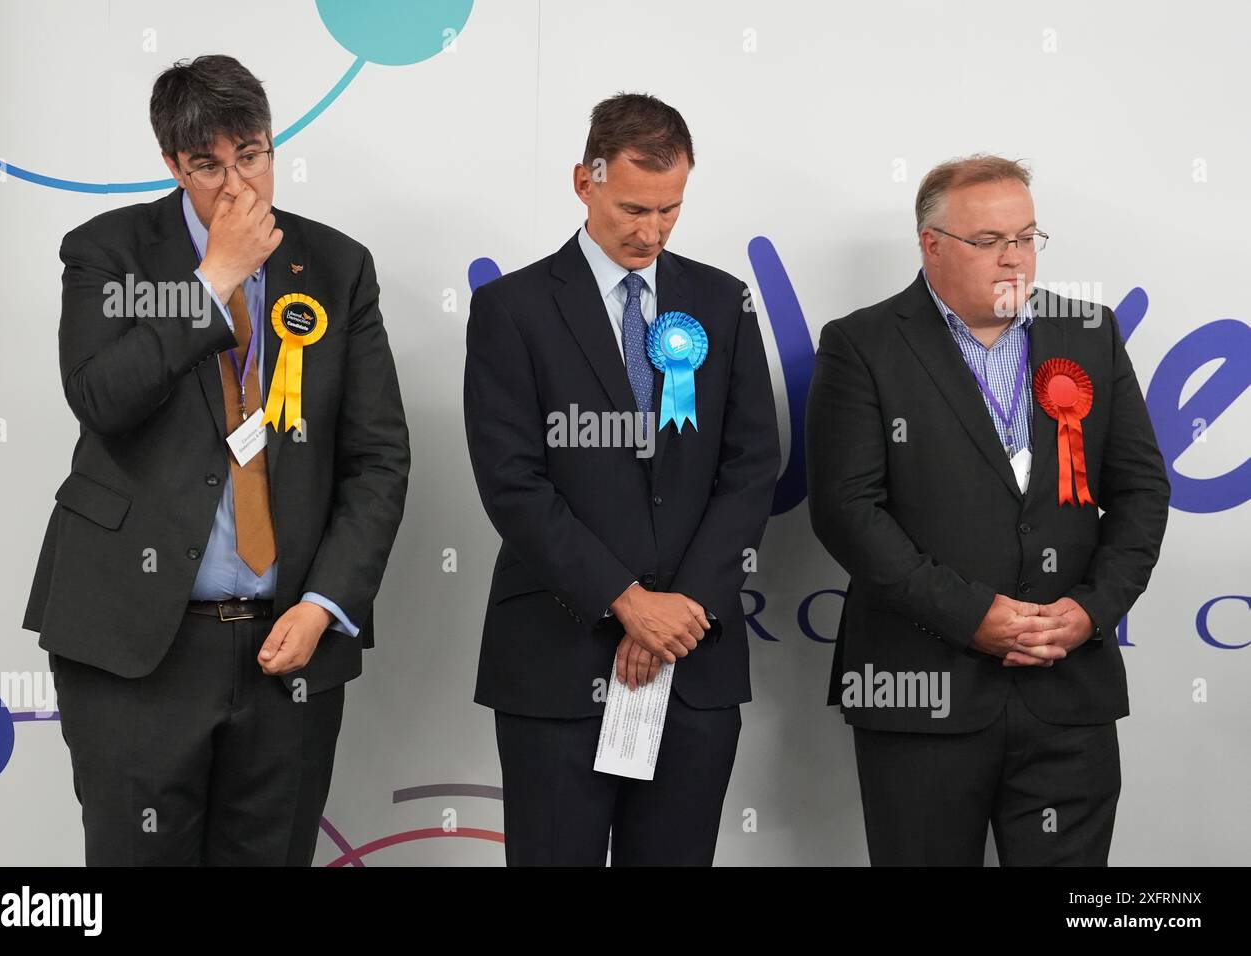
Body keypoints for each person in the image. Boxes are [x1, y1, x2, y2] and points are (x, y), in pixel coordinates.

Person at [23, 54, 410, 865]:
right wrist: (214, 281)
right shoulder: (106, 252)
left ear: (274, 145)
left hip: (288, 645)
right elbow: (100, 396)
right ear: (171, 163)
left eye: (253, 156)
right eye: (207, 166)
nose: (237, 186)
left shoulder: (338, 267)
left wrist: (326, 603)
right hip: (136, 649)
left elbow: (377, 458)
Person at [806, 154, 1170, 865]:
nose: (1015, 258)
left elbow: (1141, 491)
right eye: (990, 241)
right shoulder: (862, 344)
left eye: (1028, 237)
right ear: (932, 244)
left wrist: (1092, 610)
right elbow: (849, 512)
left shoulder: (1088, 332)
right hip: (919, 694)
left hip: (1069, 694)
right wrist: (974, 616)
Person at [463, 92, 780, 865]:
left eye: (671, 210)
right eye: (634, 208)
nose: (651, 232)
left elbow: (751, 466)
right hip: (557, 665)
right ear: (585, 181)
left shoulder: (723, 301)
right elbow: (513, 482)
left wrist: (683, 611)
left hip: (695, 663)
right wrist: (628, 602)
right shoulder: (512, 308)